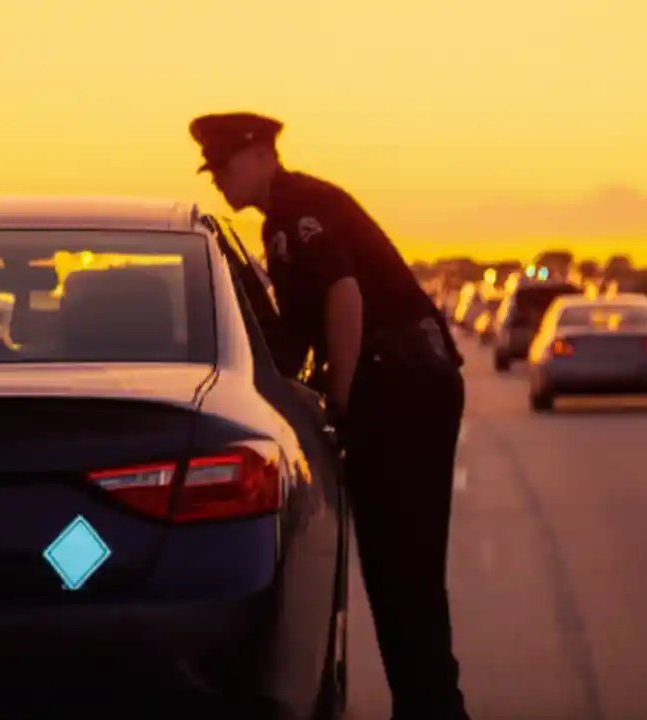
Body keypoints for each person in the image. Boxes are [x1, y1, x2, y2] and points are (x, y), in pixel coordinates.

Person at [189, 112, 470, 720]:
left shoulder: (297, 209)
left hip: (402, 388)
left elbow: (344, 292)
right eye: (211, 170)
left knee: (402, 566)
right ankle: (428, 704)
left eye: (225, 166)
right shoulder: (284, 219)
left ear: (262, 155)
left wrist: (341, 400)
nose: (217, 180)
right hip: (408, 386)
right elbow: (299, 333)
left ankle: (433, 707)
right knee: (399, 570)